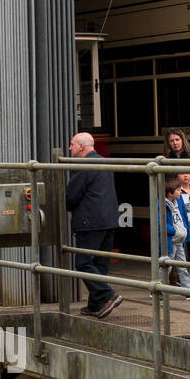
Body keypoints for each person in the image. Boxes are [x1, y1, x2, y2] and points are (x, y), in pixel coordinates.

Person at [66, 132, 124, 318]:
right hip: (108, 220)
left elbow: (71, 196)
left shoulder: (83, 165)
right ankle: (95, 305)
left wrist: (67, 207)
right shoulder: (103, 161)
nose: (70, 148)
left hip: (89, 221)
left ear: (81, 146)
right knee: (100, 264)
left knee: (82, 263)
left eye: (72, 144)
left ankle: (108, 295)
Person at [159, 177, 190, 298]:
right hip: (171, 241)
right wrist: (174, 231)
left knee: (182, 265)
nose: (180, 192)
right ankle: (157, 287)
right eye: (178, 190)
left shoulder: (178, 201)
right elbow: (161, 224)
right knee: (167, 266)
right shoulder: (162, 205)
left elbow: (181, 218)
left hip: (179, 241)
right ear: (170, 193)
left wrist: (184, 228)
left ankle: (188, 290)